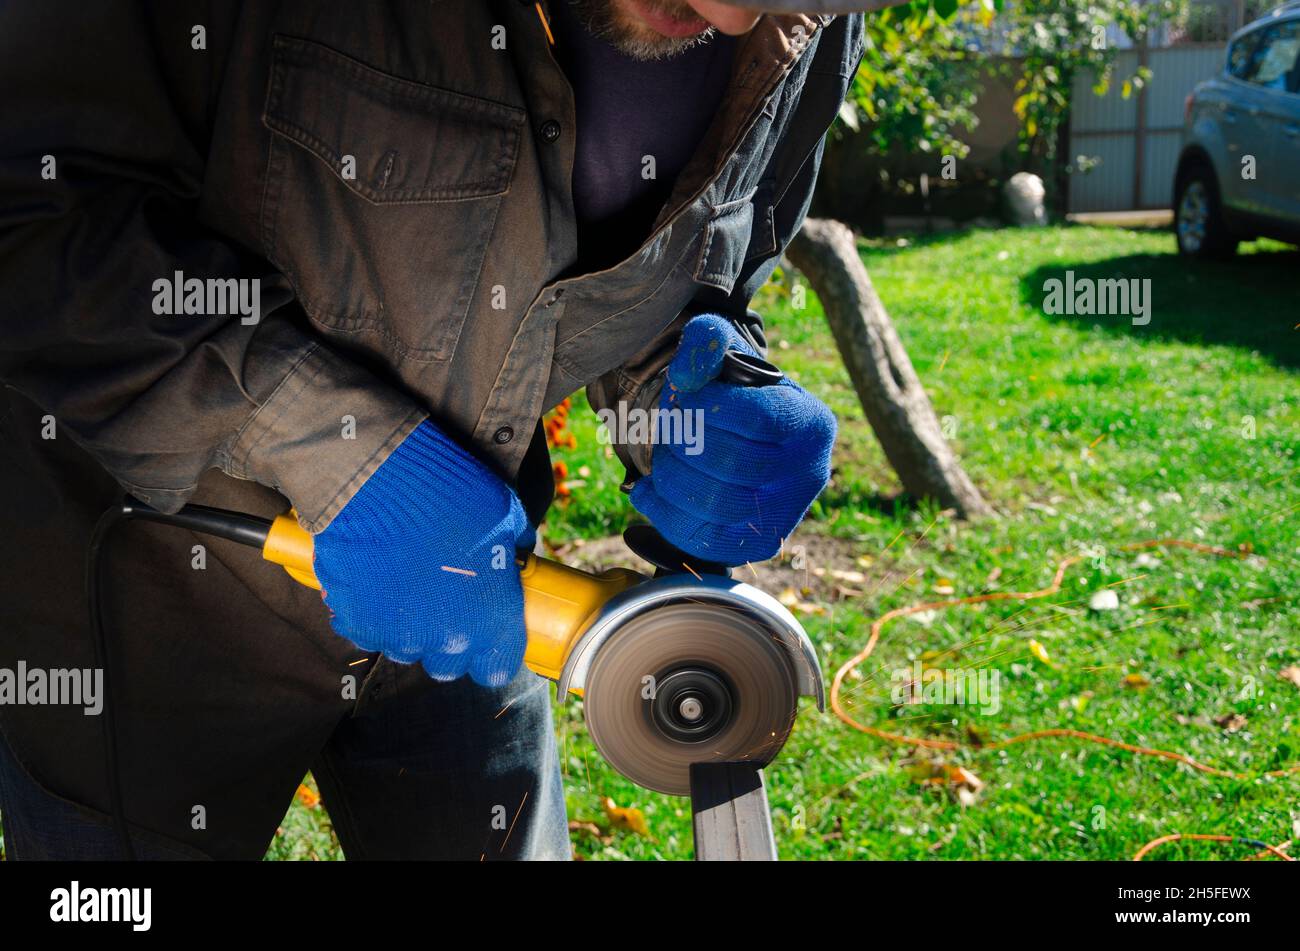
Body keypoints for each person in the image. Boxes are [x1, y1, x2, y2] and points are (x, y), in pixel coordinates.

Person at [0, 0, 868, 860]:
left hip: (475, 595)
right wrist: (328, 446)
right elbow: (32, 223)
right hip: (153, 605)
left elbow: (691, 275)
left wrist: (688, 397)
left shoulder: (802, 29)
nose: (733, 18)